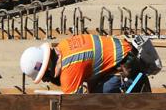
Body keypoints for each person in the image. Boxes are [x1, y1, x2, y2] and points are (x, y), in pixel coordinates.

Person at [20, 34, 156, 94]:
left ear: (48, 67)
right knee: (93, 93)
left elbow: (75, 105)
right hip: (124, 56)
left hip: (126, 66)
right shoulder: (64, 46)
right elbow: (91, 68)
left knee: (97, 101)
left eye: (45, 76)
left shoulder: (68, 71)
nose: (47, 80)